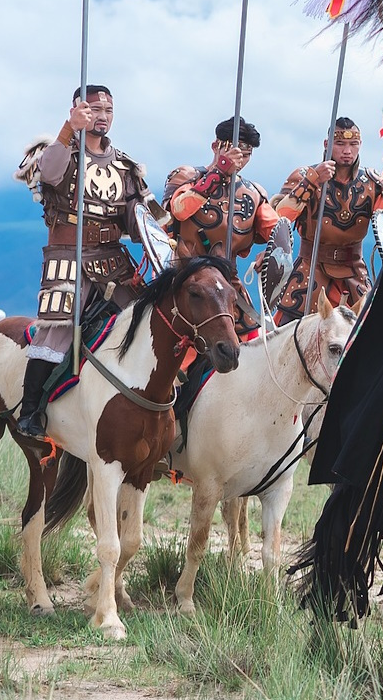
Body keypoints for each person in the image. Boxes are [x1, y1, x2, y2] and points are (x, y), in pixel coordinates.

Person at [17, 85, 166, 439]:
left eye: (108, 110)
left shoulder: (125, 165)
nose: (102, 116)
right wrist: (69, 128)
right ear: (77, 110)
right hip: (69, 259)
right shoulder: (60, 151)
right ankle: (31, 410)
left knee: (144, 320)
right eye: (94, 109)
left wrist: (157, 244)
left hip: (114, 261)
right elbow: (50, 174)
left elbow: (138, 214)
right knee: (58, 331)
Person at [264, 117, 383, 325]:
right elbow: (280, 217)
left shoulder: (374, 183)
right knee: (288, 332)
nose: (347, 151)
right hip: (309, 271)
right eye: (340, 144)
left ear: (360, 145)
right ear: (327, 145)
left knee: (370, 332)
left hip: (354, 272)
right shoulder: (303, 175)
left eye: (353, 144)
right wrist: (312, 180)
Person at [165, 116, 278, 341]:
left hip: (228, 282)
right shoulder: (187, 176)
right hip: (184, 277)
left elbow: (276, 230)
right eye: (235, 153)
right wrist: (220, 170)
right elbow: (179, 210)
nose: (240, 160)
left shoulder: (253, 193)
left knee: (252, 345)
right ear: (216, 146)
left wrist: (272, 250)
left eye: (246, 155)